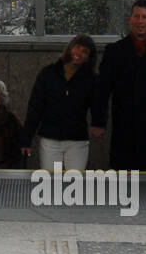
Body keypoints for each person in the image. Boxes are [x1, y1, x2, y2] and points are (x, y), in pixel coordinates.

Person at [92, 0, 146, 170]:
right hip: (123, 131)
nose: (140, 21)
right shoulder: (114, 52)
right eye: (137, 16)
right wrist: (99, 122)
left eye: (145, 17)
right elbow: (102, 90)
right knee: (123, 189)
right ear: (130, 19)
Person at [21, 34, 102, 171]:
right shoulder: (48, 73)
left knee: (74, 184)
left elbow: (98, 105)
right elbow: (35, 108)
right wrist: (26, 139)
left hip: (77, 141)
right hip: (50, 140)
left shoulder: (91, 79)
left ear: (89, 57)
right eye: (77, 48)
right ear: (70, 48)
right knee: (51, 183)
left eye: (85, 52)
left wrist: (99, 123)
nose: (79, 53)